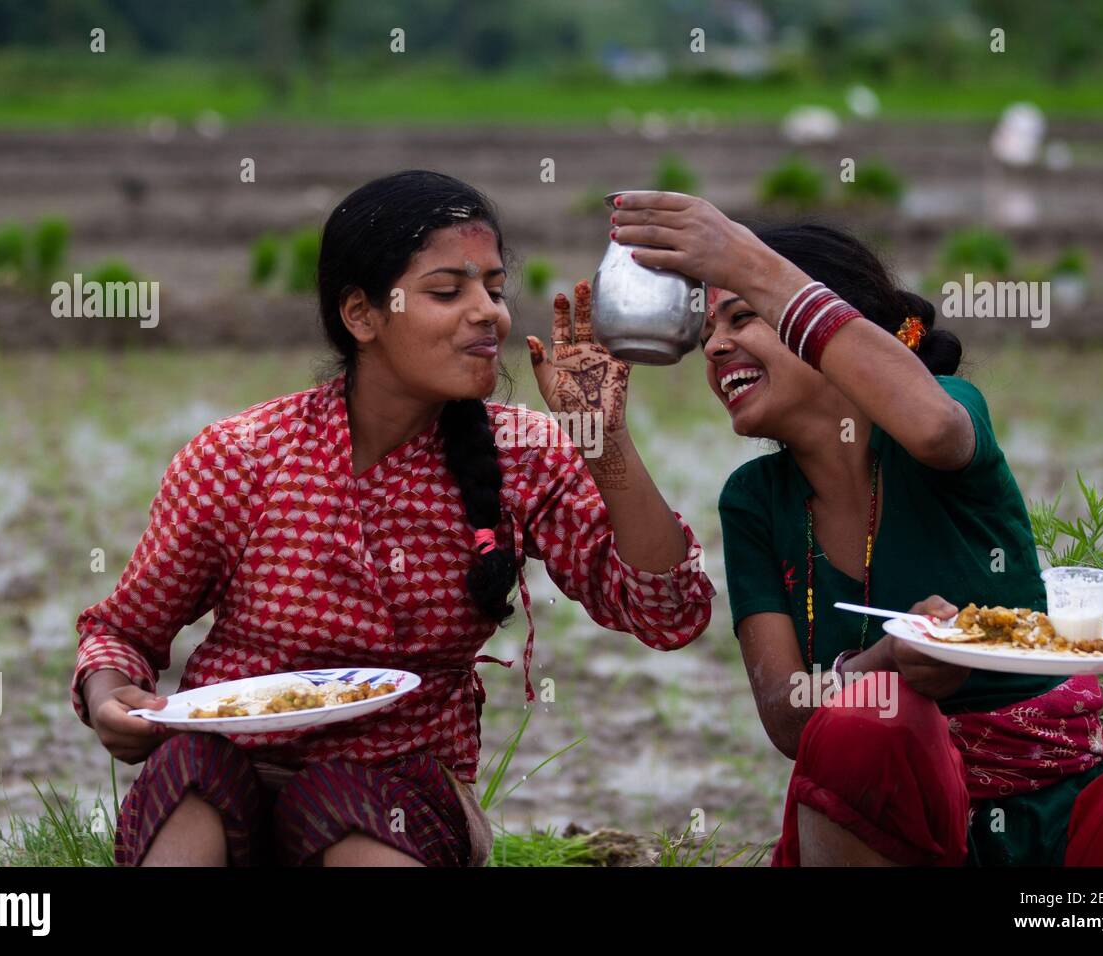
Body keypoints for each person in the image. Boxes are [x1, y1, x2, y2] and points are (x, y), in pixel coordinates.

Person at [72, 171, 715, 867]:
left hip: (397, 795)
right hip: (230, 779)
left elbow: (666, 612)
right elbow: (122, 632)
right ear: (362, 315)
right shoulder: (244, 457)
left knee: (346, 793)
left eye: (494, 291)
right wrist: (112, 700)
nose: (490, 315)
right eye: (448, 291)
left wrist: (603, 441)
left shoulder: (522, 455)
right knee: (193, 767)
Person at [610, 190, 1103, 866]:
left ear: (831, 332)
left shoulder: (946, 413)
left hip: (1063, 828)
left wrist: (752, 262)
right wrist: (885, 664)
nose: (714, 345)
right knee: (877, 718)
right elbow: (786, 717)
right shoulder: (755, 501)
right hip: (894, 842)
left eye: (743, 316)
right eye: (707, 329)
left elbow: (932, 428)